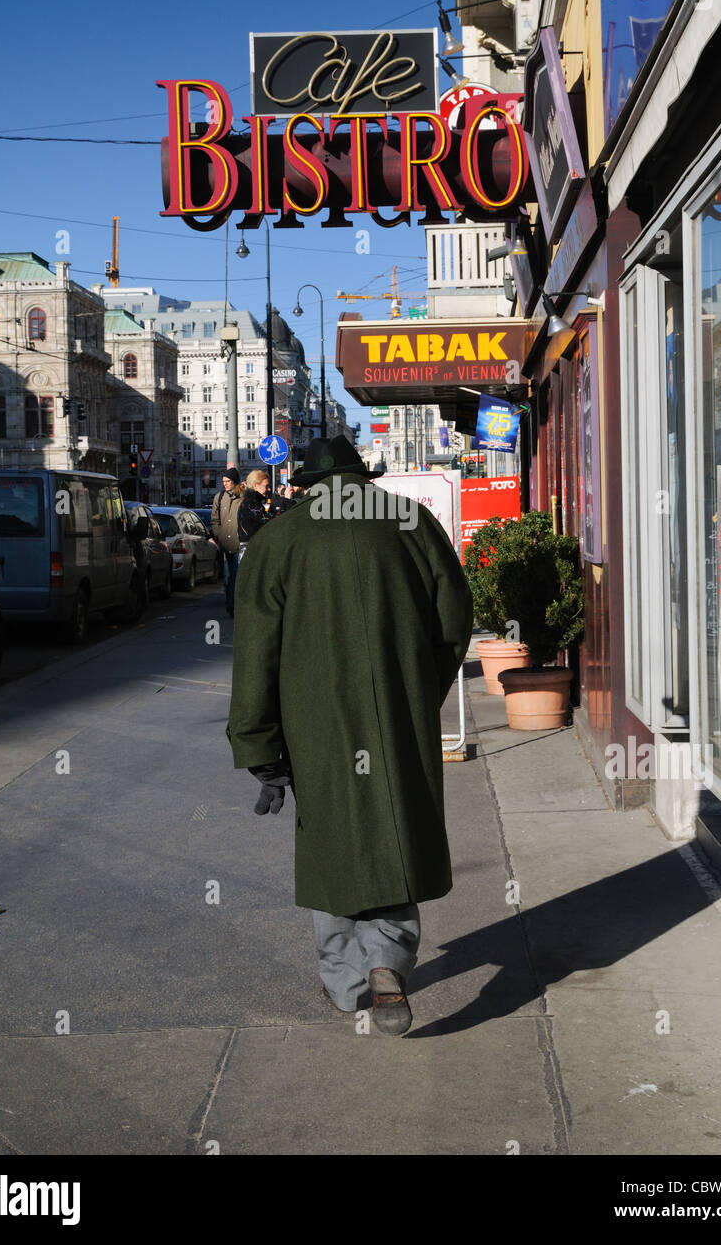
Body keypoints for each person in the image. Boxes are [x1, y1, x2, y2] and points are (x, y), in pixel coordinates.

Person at [227, 435, 473, 1035]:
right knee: (392, 829)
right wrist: (417, 690)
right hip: (396, 713)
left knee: (332, 841)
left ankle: (347, 983)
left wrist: (259, 748)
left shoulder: (278, 539)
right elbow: (454, 622)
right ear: (361, 477)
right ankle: (389, 959)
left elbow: (255, 653)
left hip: (314, 721)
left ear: (306, 483)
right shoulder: (410, 523)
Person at [211, 467, 243, 617]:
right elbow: (215, 519)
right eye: (223, 481)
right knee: (228, 578)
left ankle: (236, 607)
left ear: (234, 481)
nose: (225, 484)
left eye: (228, 481)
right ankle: (231, 606)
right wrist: (219, 535)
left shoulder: (243, 497)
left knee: (237, 577)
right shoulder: (219, 497)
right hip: (225, 544)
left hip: (239, 544)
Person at [237, 469, 282, 553]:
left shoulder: (253, 502)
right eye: (266, 486)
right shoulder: (251, 504)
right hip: (252, 550)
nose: (269, 489)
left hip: (252, 548)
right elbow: (268, 524)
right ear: (255, 486)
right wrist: (284, 502)